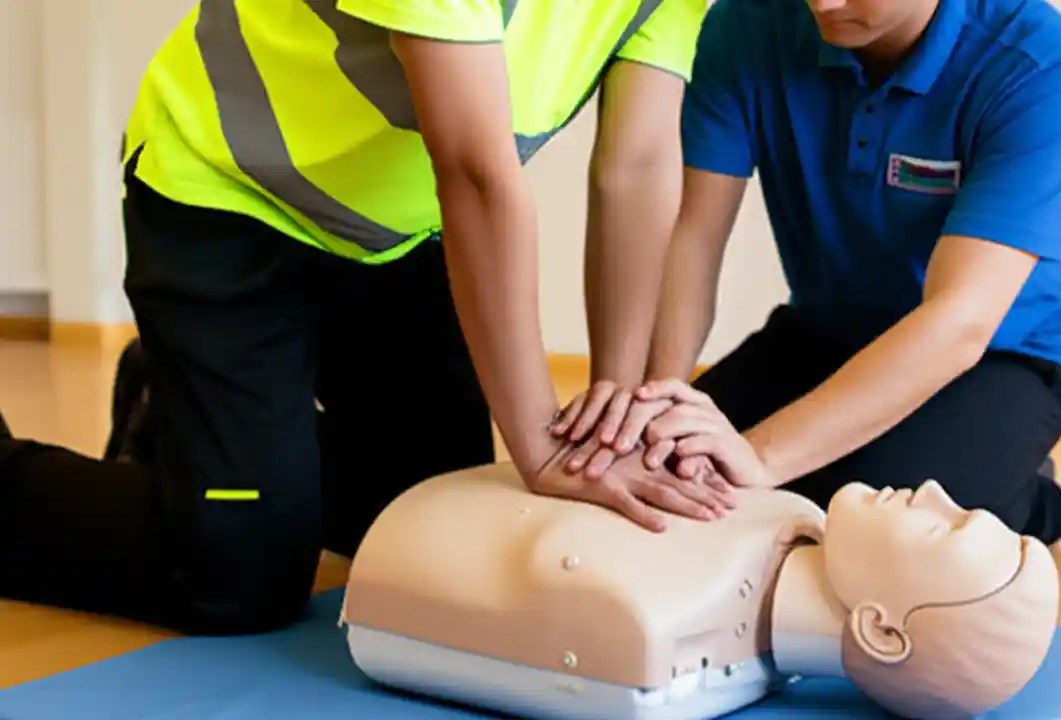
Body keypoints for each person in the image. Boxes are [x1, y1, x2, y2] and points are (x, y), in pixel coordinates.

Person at [0, 0, 730, 636]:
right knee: (238, 573)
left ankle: (188, 414)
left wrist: (618, 410)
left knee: (427, 539)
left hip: (392, 238)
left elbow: (636, 161)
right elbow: (475, 174)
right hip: (229, 199)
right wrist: (539, 444)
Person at [553, 0, 1061, 546]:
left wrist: (761, 456)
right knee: (675, 468)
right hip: (821, 337)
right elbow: (691, 238)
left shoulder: (1039, 63)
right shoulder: (744, 25)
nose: (823, 3)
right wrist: (658, 400)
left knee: (873, 521)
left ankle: (1029, 498)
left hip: (998, 358)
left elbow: (960, 321)